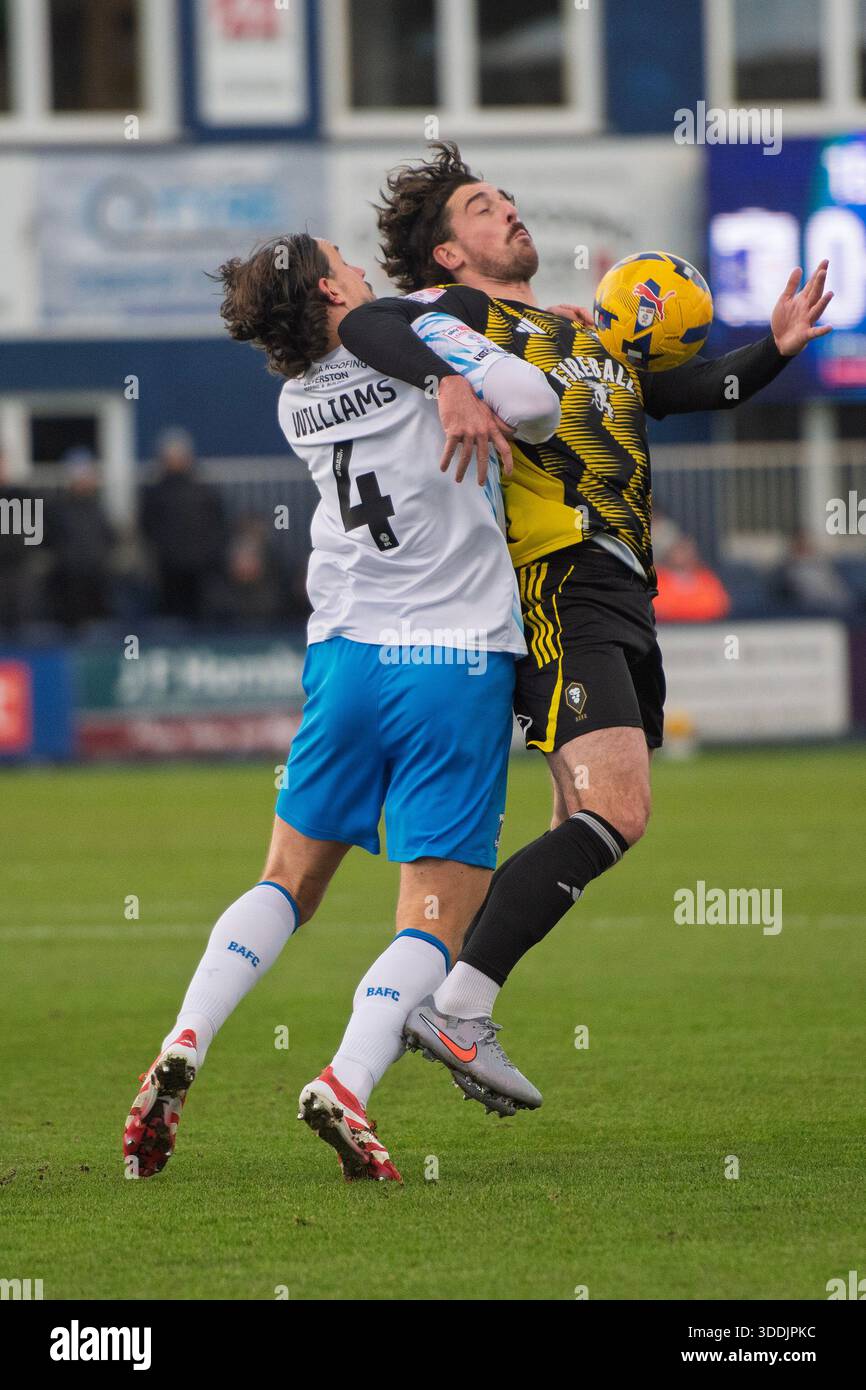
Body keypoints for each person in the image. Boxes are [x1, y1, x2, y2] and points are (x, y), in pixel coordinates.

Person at [338, 142, 833, 1113]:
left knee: (589, 820)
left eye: (506, 196)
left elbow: (695, 391)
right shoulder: (465, 319)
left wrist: (771, 348)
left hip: (618, 593)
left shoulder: (576, 334)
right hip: (557, 583)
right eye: (483, 207)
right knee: (618, 807)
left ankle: (427, 1016)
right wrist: (444, 376)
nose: (509, 210)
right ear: (448, 255)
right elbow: (363, 321)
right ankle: (457, 1005)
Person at [122, 233, 559, 1182]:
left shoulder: (296, 398)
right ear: (331, 286)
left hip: (347, 654)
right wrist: (454, 361)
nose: (364, 267)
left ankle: (186, 1037)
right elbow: (533, 409)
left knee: (288, 879)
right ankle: (348, 1083)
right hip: (452, 659)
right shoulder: (409, 330)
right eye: (347, 260)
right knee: (434, 912)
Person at [140, 429, 226, 622]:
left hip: (201, 567)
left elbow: (218, 524)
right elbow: (147, 525)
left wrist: (210, 552)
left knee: (200, 616)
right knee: (171, 617)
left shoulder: (204, 491)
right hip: (169, 567)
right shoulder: (155, 493)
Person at [653, 537, 731, 622]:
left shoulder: (707, 579)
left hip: (704, 629)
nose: (682, 556)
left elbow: (718, 605)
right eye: (678, 551)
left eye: (685, 551)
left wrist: (679, 606)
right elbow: (658, 607)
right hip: (667, 630)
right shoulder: (657, 580)